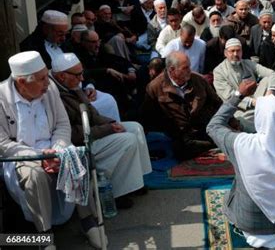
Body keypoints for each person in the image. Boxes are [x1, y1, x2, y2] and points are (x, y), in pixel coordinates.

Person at [0, 51, 104, 249]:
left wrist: (58, 150)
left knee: (76, 157)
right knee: (34, 176)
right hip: (20, 156)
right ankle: (44, 237)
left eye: (46, 76)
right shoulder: (1, 98)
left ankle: (88, 220)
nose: (47, 83)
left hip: (54, 148)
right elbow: (3, 144)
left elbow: (62, 125)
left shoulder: (50, 89)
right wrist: (38, 157)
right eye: (41, 79)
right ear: (22, 82)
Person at [206, 82, 275, 249]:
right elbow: (272, 131)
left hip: (249, 222)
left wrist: (238, 95)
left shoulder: (242, 145)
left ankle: (256, 236)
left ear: (260, 116)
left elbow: (213, 126)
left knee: (230, 195)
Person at [50, 53, 152, 209]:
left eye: (81, 73)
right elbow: (72, 133)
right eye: (77, 75)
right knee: (126, 140)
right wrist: (108, 129)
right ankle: (118, 192)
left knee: (135, 128)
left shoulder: (72, 85)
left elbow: (92, 113)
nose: (82, 79)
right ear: (62, 76)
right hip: (78, 143)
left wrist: (111, 123)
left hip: (90, 131)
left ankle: (137, 181)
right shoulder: (54, 95)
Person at [142, 52, 222, 160]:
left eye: (189, 66)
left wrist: (232, 124)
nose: (189, 70)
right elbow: (148, 117)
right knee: (182, 148)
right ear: (171, 70)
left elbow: (217, 103)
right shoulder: (154, 87)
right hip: (178, 135)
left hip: (203, 128)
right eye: (185, 68)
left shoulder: (199, 80)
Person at [213, 38, 275, 129]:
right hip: (238, 108)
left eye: (238, 51)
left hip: (257, 100)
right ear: (225, 53)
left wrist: (269, 94)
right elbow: (228, 96)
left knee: (268, 80)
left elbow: (273, 74)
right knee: (243, 121)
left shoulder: (248, 63)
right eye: (232, 51)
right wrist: (253, 102)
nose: (236, 54)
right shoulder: (219, 71)